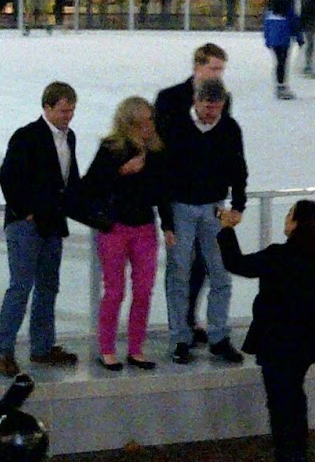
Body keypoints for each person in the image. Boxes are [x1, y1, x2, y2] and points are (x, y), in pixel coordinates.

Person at [217, 198, 315, 462]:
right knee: (295, 395)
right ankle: (299, 455)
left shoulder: (279, 255)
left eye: (289, 215)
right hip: (308, 339)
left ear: (297, 223)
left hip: (277, 340)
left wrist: (226, 230)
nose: (285, 219)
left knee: (281, 402)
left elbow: (237, 263)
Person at [0, 80, 83, 376]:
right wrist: (25, 212)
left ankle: (42, 347)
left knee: (48, 287)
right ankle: (3, 351)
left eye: (71, 111)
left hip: (52, 225)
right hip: (26, 226)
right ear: (46, 107)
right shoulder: (26, 136)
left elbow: (71, 180)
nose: (68, 116)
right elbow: (7, 177)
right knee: (20, 287)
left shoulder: (69, 138)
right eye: (62, 111)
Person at [81, 96, 175, 371]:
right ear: (127, 124)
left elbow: (162, 192)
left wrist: (168, 225)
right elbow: (90, 186)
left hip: (145, 227)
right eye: (141, 123)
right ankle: (107, 348)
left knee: (144, 290)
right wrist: (121, 172)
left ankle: (136, 348)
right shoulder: (111, 149)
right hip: (115, 228)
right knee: (115, 291)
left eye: (150, 122)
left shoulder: (156, 150)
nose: (147, 128)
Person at [160, 75, 247, 366]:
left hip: (214, 210)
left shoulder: (229, 128)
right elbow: (164, 176)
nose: (212, 114)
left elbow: (238, 168)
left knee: (221, 273)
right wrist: (167, 222)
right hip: (181, 208)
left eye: (217, 108)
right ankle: (180, 338)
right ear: (195, 102)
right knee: (179, 273)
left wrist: (238, 205)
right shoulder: (175, 128)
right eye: (207, 108)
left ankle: (218, 336)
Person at [154, 43, 232, 347]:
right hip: (180, 196)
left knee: (207, 264)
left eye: (221, 69)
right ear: (197, 66)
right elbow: (162, 150)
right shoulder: (170, 99)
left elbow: (225, 143)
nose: (218, 74)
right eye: (213, 68)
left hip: (211, 198)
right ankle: (181, 329)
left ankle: (191, 319)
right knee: (180, 266)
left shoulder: (224, 99)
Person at [263, 0, 301, 100]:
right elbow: (293, 21)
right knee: (282, 61)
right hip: (283, 35)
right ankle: (281, 87)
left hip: (274, 36)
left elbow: (266, 20)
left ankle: (280, 86)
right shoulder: (287, 3)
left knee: (279, 62)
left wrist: (267, 37)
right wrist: (299, 37)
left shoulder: (272, 2)